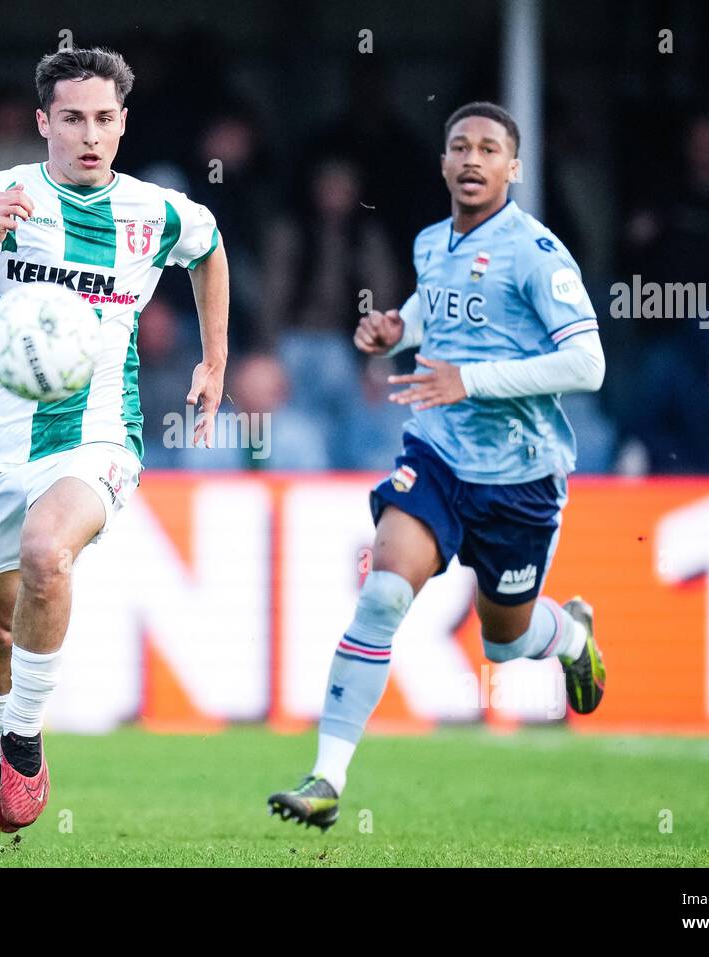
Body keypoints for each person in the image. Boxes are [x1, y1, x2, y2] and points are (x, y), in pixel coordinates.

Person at [268, 103, 607, 830]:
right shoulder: (431, 241)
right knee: (384, 593)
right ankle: (326, 776)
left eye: (490, 148)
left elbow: (589, 363)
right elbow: (442, 308)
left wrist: (471, 379)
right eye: (460, 146)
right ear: (445, 162)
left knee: (505, 640)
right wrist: (399, 326)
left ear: (514, 168)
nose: (473, 158)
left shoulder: (539, 253)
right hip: (438, 453)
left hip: (521, 477)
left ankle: (572, 636)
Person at [0, 47, 228, 833]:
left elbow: (209, 247)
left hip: (99, 437)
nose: (88, 134)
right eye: (71, 119)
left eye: (103, 118)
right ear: (42, 123)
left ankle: (25, 736)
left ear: (123, 123)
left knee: (46, 553)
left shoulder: (157, 212)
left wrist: (214, 359)